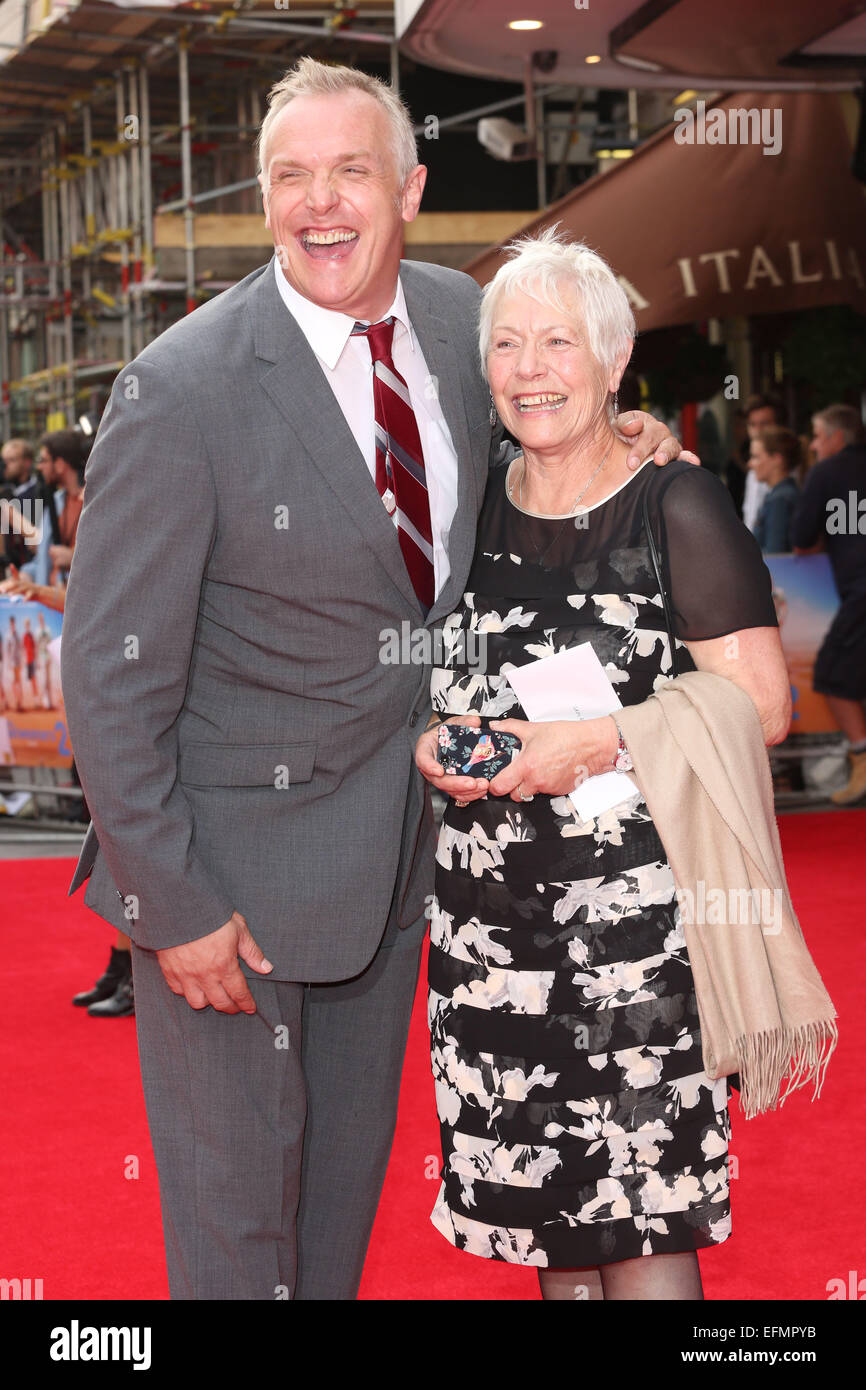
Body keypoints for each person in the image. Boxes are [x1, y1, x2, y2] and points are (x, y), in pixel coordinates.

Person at [61, 58, 686, 1302]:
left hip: (407, 873)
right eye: (289, 176)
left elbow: (550, 429)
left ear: (407, 187)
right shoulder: (180, 388)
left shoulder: (466, 325)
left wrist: (631, 436)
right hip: (226, 889)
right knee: (239, 1253)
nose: (319, 202)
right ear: (262, 201)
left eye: (350, 170)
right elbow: (109, 672)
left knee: (334, 1231)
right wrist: (171, 903)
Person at [415, 229, 791, 1301]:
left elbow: (763, 704)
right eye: (507, 344)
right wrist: (426, 736)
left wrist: (591, 741)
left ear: (612, 360)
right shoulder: (465, 505)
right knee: (549, 1234)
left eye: (558, 342)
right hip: (489, 938)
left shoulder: (674, 503)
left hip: (637, 944)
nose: (530, 368)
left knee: (640, 1216)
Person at [793, 403, 866, 805]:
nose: (815, 445)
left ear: (837, 438)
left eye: (818, 436)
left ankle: (862, 759)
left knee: (833, 675)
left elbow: (802, 537)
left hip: (860, 592)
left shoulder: (827, 472)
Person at [749, 426, 801, 553]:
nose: (750, 463)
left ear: (777, 459)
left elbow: (774, 554)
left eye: (756, 457)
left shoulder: (780, 499)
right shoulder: (781, 495)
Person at [741, 393, 783, 533]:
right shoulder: (753, 472)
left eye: (764, 424)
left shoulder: (788, 468)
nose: (757, 431)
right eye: (752, 425)